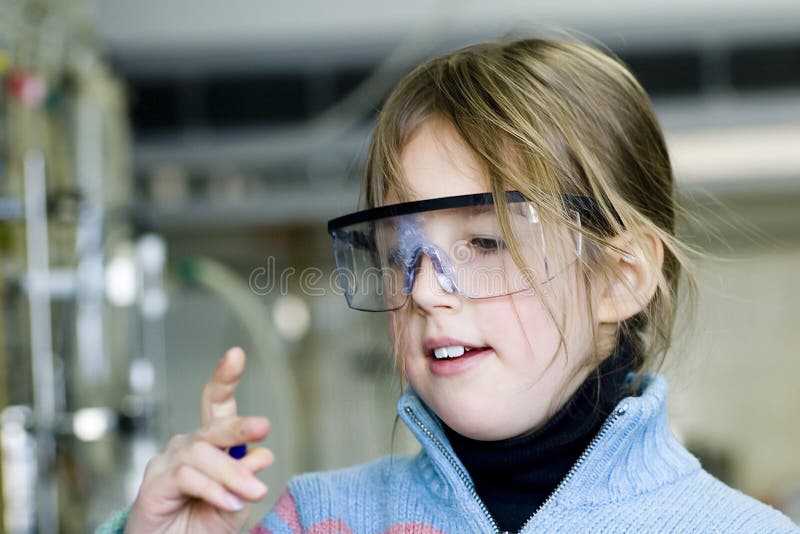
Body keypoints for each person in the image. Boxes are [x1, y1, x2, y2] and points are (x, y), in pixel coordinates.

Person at [100, 37, 799, 533]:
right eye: (397, 253)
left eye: (487, 242)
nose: (426, 291)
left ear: (621, 278)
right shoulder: (317, 521)